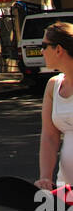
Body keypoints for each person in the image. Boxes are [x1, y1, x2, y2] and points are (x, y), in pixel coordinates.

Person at [34, 21, 73, 196]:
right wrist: (45, 177)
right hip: (66, 186)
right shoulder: (53, 85)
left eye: (44, 46)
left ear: (58, 50)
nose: (41, 51)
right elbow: (49, 135)